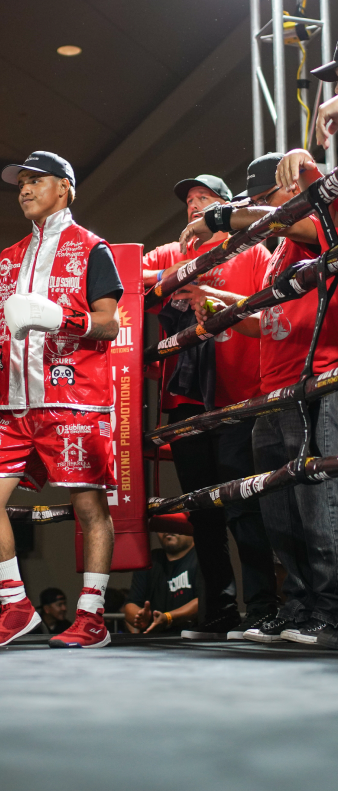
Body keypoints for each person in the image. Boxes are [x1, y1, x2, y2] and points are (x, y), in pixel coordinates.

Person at [0, 150, 123, 649]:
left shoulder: (92, 248)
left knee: (89, 507)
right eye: (19, 183)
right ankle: (17, 607)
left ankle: (91, 616)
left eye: (35, 180)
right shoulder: (9, 255)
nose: (23, 189)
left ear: (64, 187)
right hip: (14, 404)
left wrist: (62, 320)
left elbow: (111, 321)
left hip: (73, 399)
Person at [178, 149, 338, 645]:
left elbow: (310, 225)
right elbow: (265, 322)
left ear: (291, 190)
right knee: (278, 505)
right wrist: (219, 305)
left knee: (318, 501)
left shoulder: (317, 219)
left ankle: (329, 611)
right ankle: (296, 607)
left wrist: (225, 217)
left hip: (316, 376)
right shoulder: (277, 258)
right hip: (274, 388)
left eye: (269, 199)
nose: (264, 211)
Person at [143, 174, 277, 640]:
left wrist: (212, 297)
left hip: (241, 394)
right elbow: (129, 277)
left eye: (204, 198)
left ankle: (264, 607)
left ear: (225, 206)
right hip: (185, 402)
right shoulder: (173, 252)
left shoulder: (252, 248)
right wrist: (166, 282)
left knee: (244, 505)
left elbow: (272, 308)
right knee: (202, 511)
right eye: (189, 201)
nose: (194, 206)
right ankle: (220, 610)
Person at [124, 533, 202, 634]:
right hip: (155, 643)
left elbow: (204, 601)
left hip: (194, 639)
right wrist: (139, 616)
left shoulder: (203, 557)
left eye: (174, 522)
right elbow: (131, 604)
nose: (168, 529)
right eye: (162, 523)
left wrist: (168, 617)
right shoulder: (150, 560)